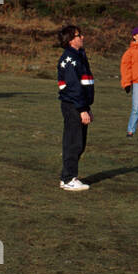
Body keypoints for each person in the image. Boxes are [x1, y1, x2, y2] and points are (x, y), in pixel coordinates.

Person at [57, 25, 94, 191]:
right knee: (74, 142)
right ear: (71, 40)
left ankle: (68, 176)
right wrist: (81, 109)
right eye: (79, 35)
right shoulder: (69, 59)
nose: (82, 37)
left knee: (79, 142)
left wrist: (87, 107)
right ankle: (68, 178)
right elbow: (73, 87)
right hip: (72, 105)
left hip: (79, 104)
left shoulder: (80, 56)